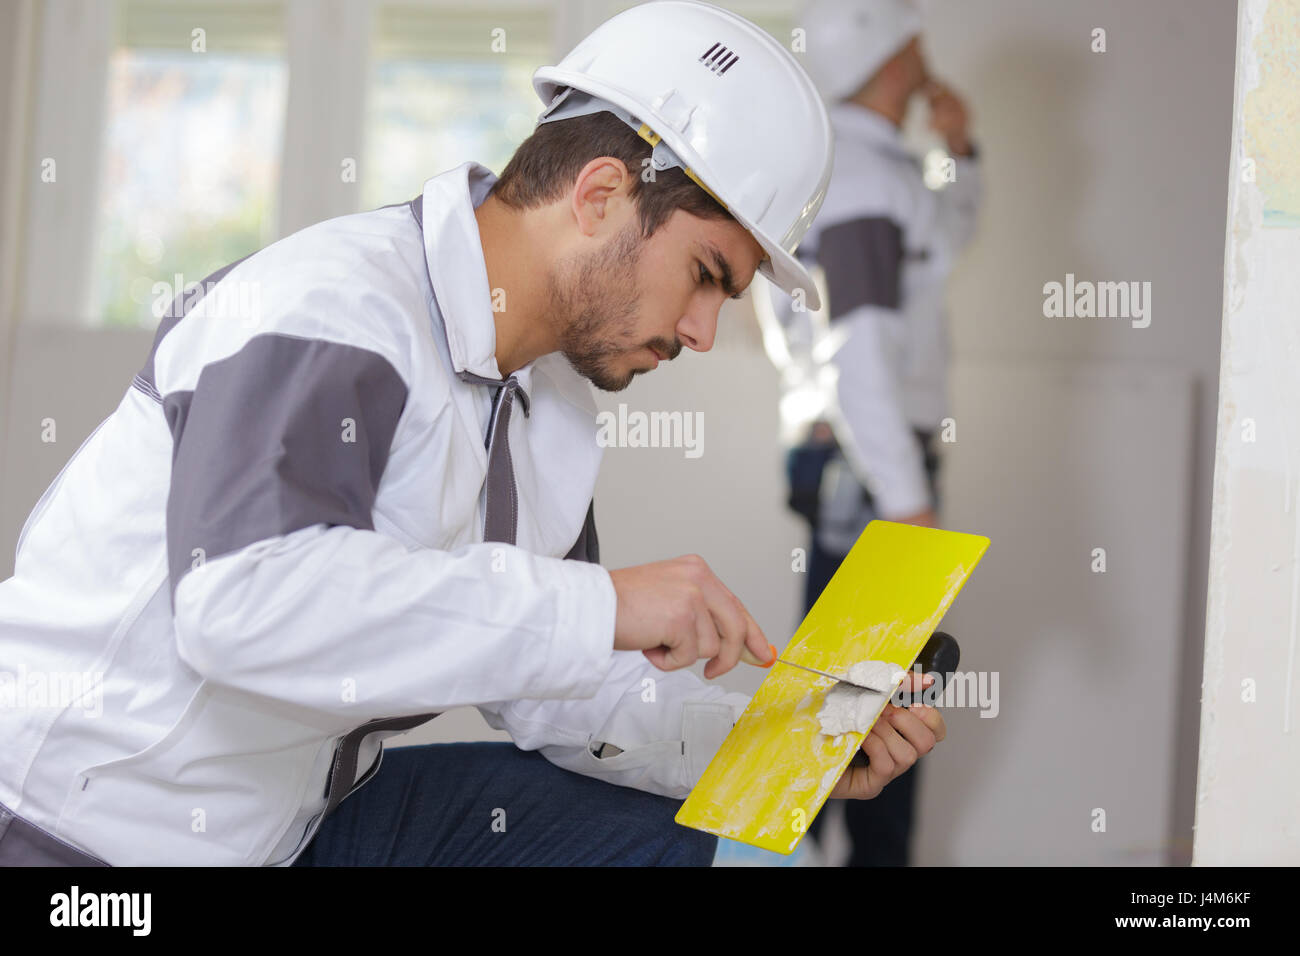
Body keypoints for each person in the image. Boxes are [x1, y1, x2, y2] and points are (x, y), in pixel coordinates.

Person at [0, 0, 944, 867]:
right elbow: (241, 601)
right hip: (81, 836)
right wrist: (603, 605)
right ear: (601, 194)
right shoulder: (333, 306)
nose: (701, 331)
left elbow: (570, 693)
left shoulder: (551, 411)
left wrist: (792, 744)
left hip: (297, 829)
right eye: (705, 274)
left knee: (726, 849)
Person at [765, 0, 982, 865]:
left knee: (856, 711)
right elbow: (858, 359)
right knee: (853, 721)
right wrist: (910, 503)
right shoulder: (863, 177)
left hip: (861, 458)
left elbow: (940, 253)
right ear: (892, 52)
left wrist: (959, 159)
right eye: (916, 29)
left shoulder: (868, 167)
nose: (930, 43)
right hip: (873, 464)